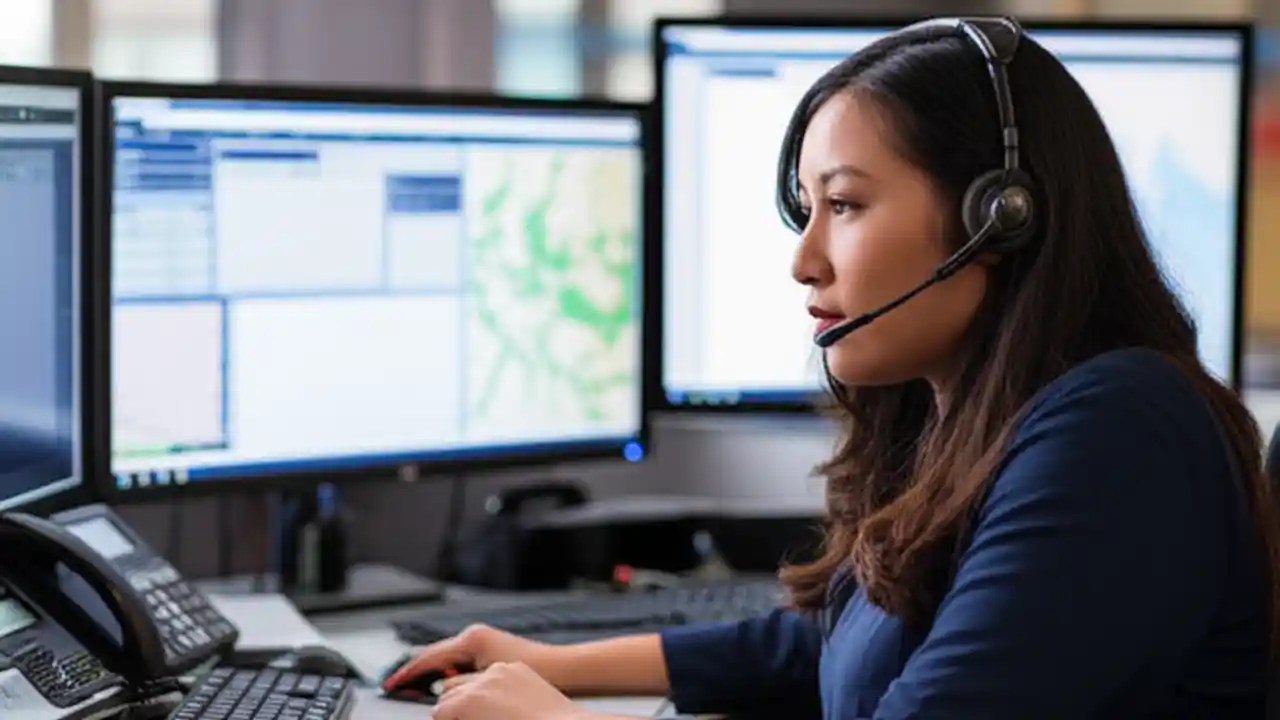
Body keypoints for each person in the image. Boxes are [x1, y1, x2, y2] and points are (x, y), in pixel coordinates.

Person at [384, 16, 1280, 719]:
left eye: (844, 204)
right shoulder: (971, 415)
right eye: (805, 210)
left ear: (999, 218)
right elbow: (838, 639)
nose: (804, 260)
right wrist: (551, 664)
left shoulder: (1120, 431)